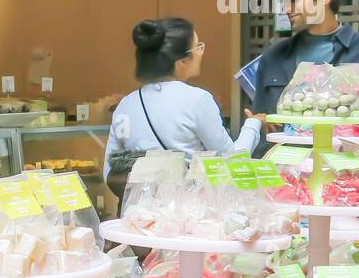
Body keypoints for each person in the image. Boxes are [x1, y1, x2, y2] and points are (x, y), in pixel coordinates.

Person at [104, 17, 262, 183]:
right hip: (185, 206)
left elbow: (109, 170)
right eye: (198, 47)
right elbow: (231, 160)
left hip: (137, 206)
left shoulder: (126, 105)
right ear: (182, 62)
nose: (202, 52)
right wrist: (253, 124)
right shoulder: (197, 100)